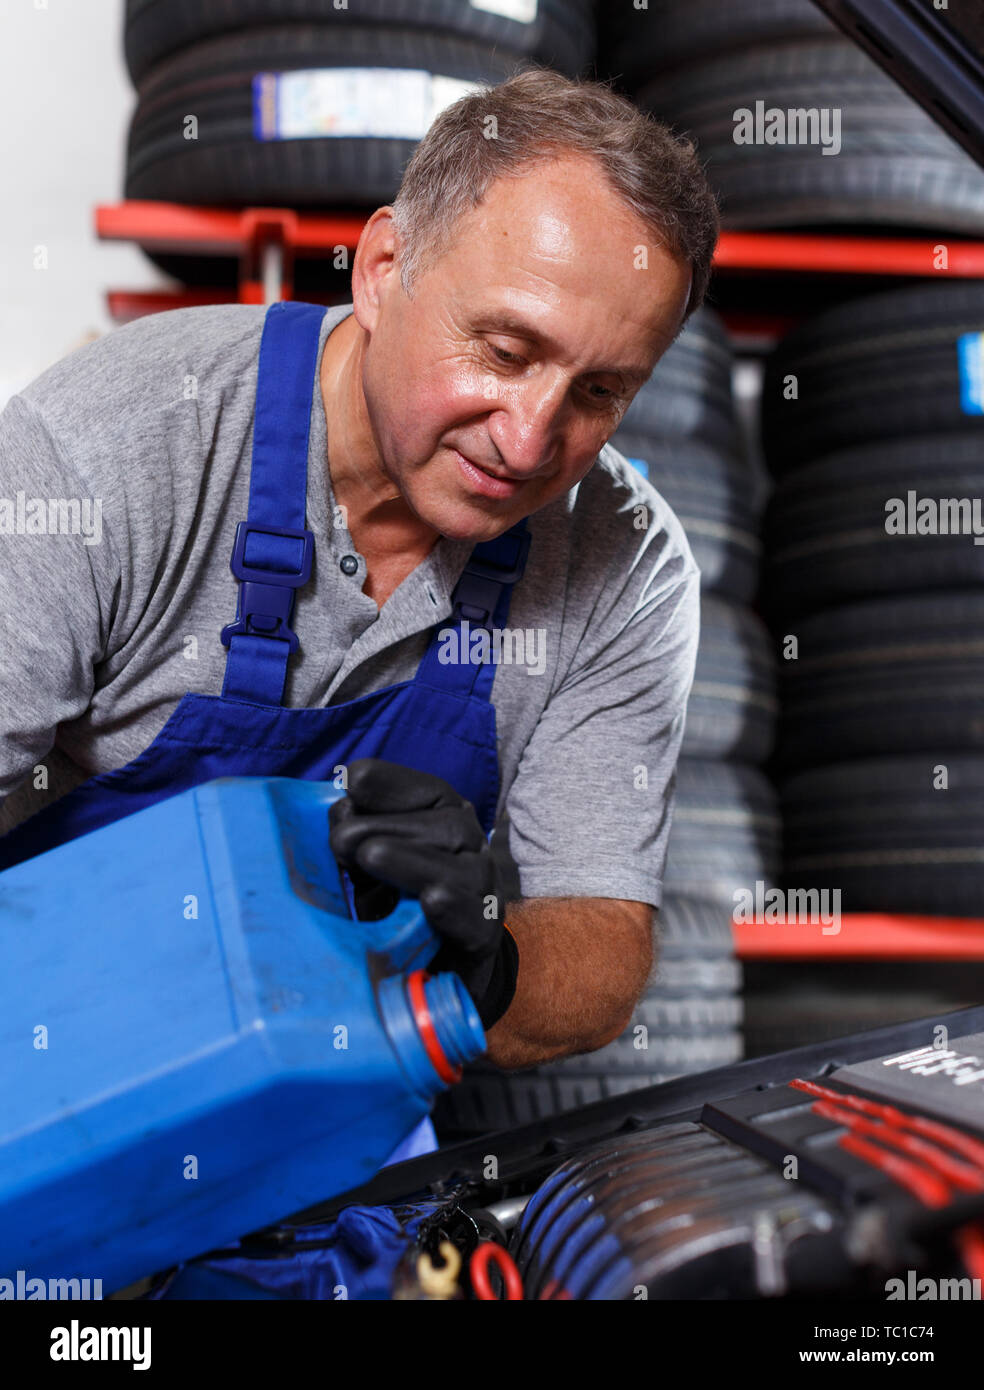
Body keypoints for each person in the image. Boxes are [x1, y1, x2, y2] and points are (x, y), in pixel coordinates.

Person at [0, 67, 716, 1212]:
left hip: (324, 1134)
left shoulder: (623, 564)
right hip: (37, 1083)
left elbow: (603, 944)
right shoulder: (109, 450)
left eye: (600, 391)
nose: (533, 437)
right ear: (384, 269)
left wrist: (487, 958)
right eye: (505, 349)